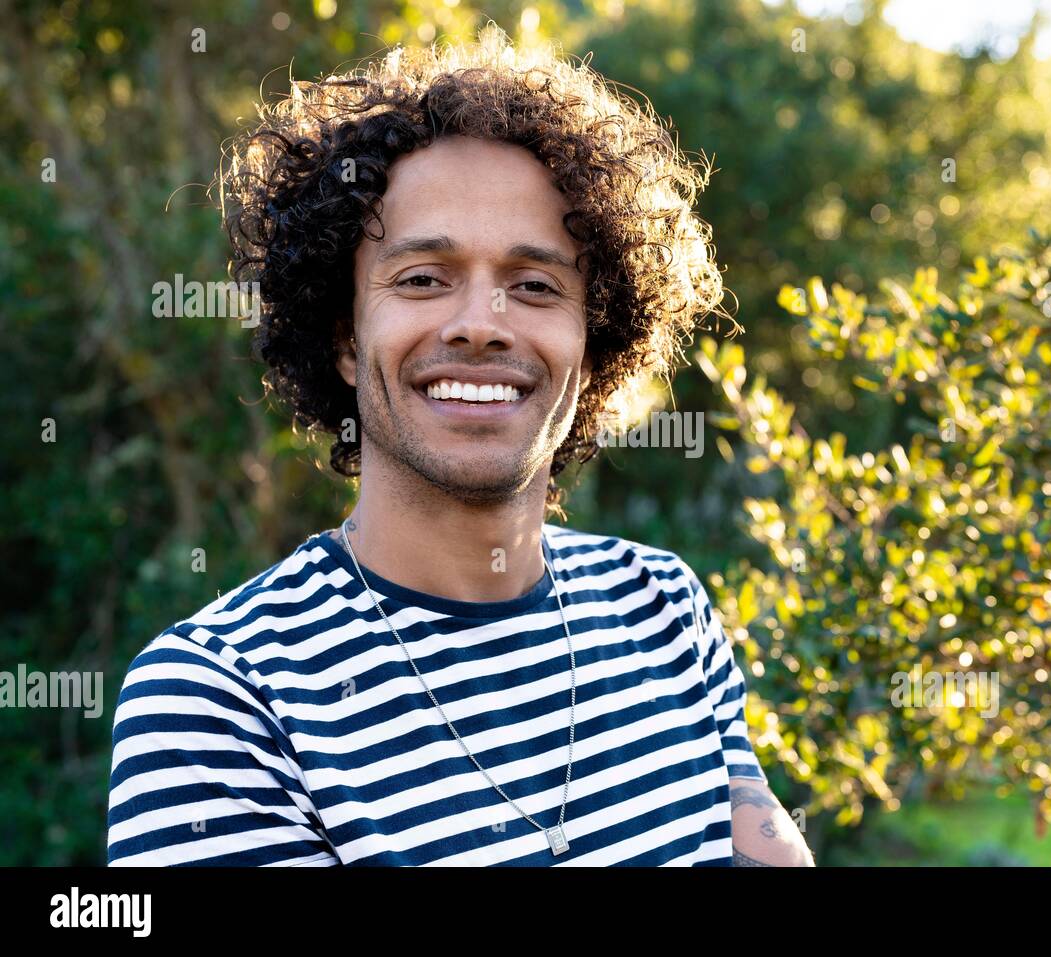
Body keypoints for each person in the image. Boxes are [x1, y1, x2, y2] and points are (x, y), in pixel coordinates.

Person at [106, 26, 813, 867]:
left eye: (535, 285)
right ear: (340, 335)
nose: (480, 324)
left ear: (596, 342)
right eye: (422, 279)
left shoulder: (664, 608)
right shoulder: (221, 699)